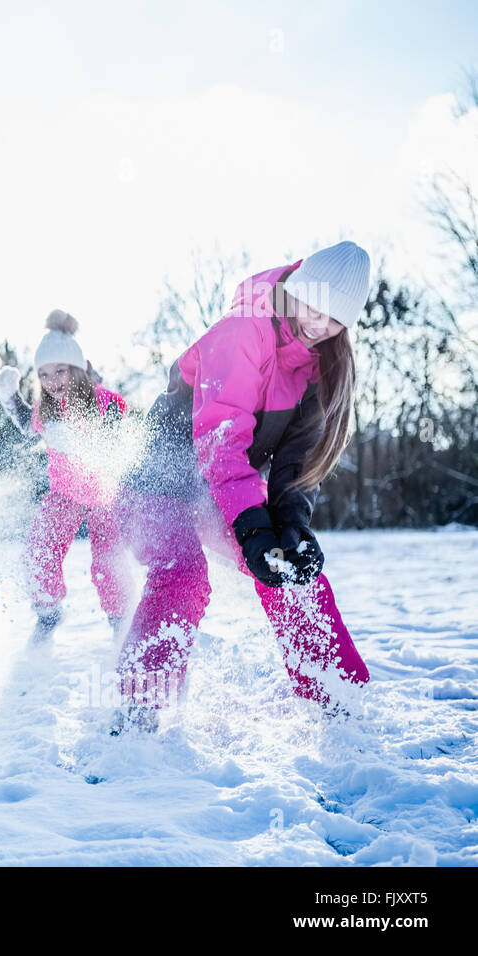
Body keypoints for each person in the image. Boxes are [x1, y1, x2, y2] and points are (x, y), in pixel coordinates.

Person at [115, 241, 373, 733]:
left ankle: (337, 697)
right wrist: (253, 528)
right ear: (297, 291)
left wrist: (290, 527)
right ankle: (135, 715)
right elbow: (220, 440)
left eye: (335, 320)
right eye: (315, 307)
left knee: (290, 568)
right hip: (158, 481)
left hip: (222, 487)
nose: (320, 325)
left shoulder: (320, 371)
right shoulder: (242, 332)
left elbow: (297, 465)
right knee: (183, 575)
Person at [0, 310, 135, 642]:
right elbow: (29, 425)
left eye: (60, 371)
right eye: (44, 374)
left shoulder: (103, 401)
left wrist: (82, 442)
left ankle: (120, 619)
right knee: (39, 551)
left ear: (78, 369)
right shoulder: (48, 409)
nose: (52, 381)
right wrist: (9, 397)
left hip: (105, 496)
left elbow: (117, 432)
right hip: (64, 494)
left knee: (108, 564)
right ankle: (47, 612)